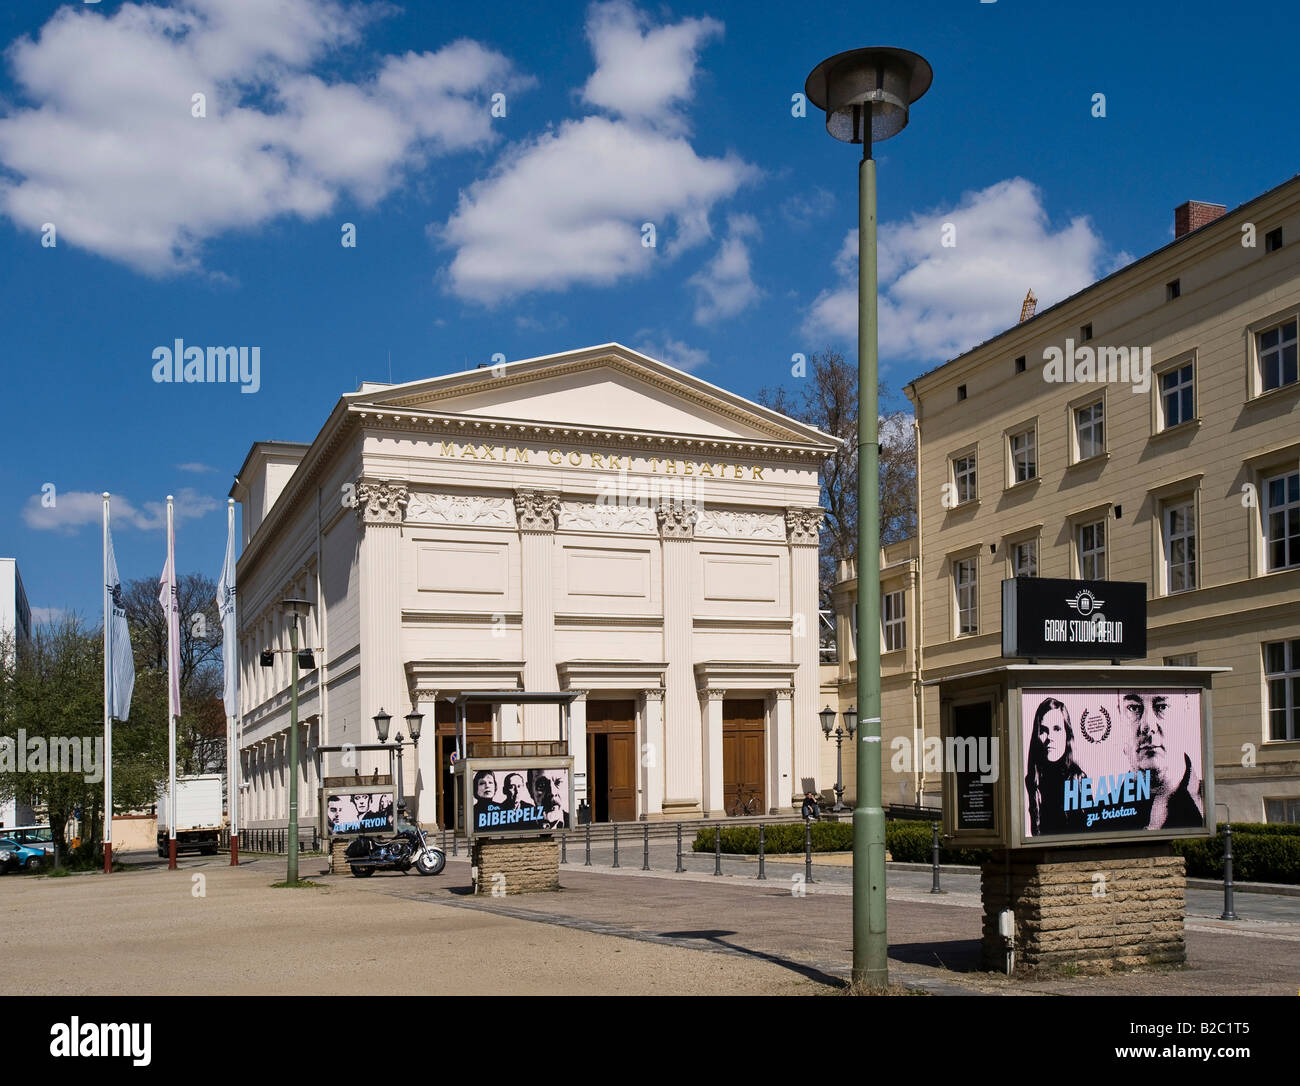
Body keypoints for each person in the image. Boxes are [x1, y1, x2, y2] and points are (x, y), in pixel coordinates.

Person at [1120, 691, 1203, 829]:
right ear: (1119, 717)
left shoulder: (1206, 804)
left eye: (1162, 707)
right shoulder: (1101, 814)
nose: (1147, 726)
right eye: (1133, 708)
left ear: (1186, 711)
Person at [1025, 697, 1086, 836]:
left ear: (1067, 735)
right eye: (1043, 730)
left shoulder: (1079, 779)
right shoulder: (1033, 780)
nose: (1050, 737)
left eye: (1057, 729)